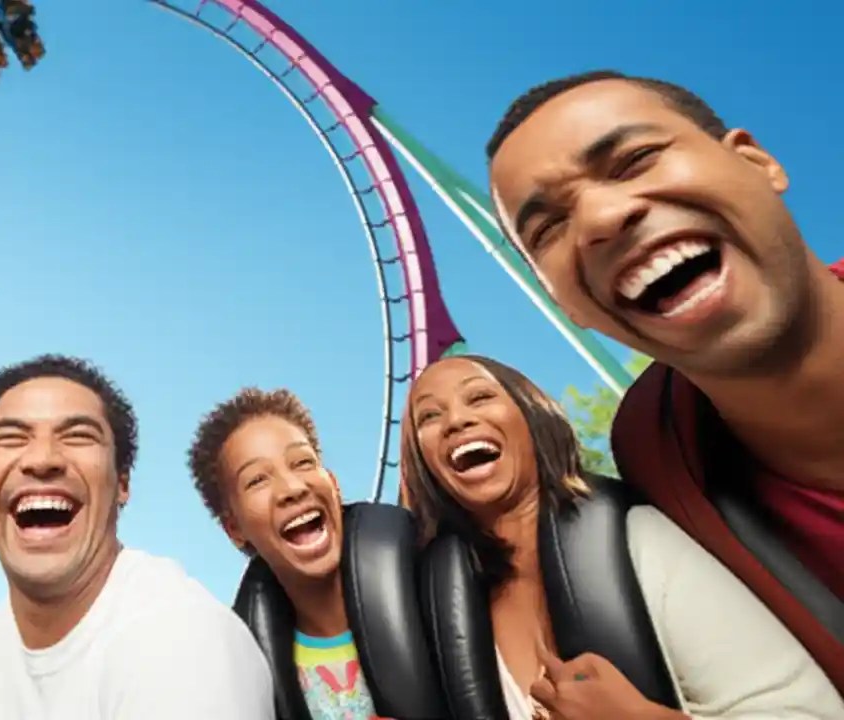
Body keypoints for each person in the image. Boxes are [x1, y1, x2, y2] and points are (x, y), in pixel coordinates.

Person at [484, 70, 844, 685]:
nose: (601, 218)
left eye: (634, 161)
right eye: (548, 229)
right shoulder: (656, 452)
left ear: (757, 162)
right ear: (567, 307)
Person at [400, 354, 842, 720]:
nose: (457, 421)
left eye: (480, 397)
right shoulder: (446, 610)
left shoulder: (638, 542)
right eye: (430, 417)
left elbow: (809, 711)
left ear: (530, 415)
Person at [0, 354, 274, 719]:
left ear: (122, 484)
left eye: (78, 436)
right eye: (11, 438)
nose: (41, 459)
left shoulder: (181, 639)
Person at [187, 388, 391, 720]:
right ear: (233, 529)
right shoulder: (241, 675)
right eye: (256, 481)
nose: (292, 489)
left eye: (303, 462)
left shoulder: (430, 593)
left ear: (334, 485)